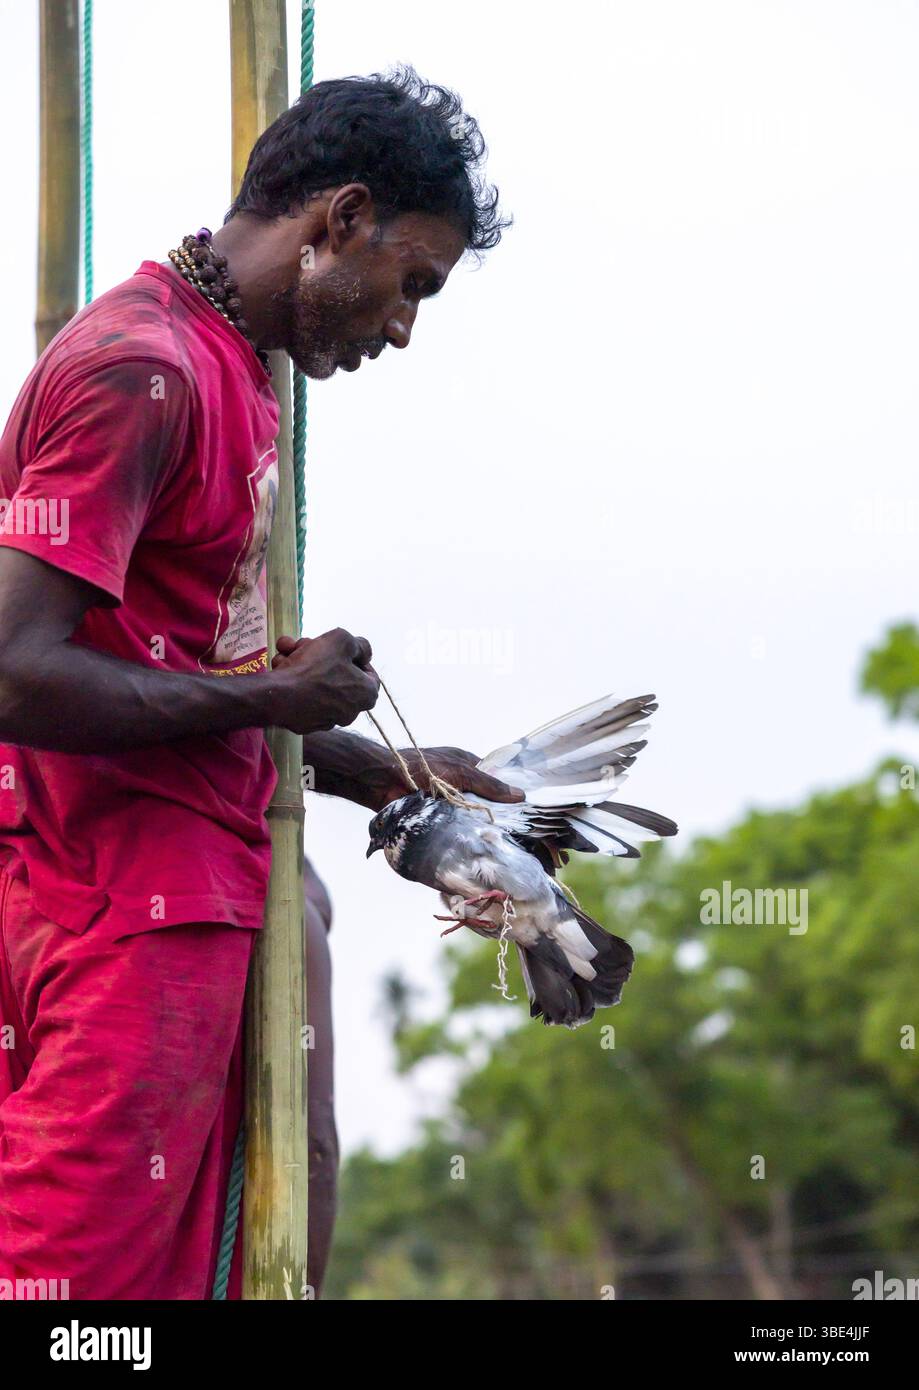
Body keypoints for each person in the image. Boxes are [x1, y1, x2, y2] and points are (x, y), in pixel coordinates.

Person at [0, 66, 519, 1300]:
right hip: (116, 913)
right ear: (339, 219)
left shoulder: (233, 371)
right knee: (68, 1296)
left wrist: (384, 773)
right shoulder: (141, 369)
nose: (401, 328)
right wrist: (270, 700)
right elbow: (15, 673)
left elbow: (156, 671)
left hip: (175, 898)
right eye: (411, 286)